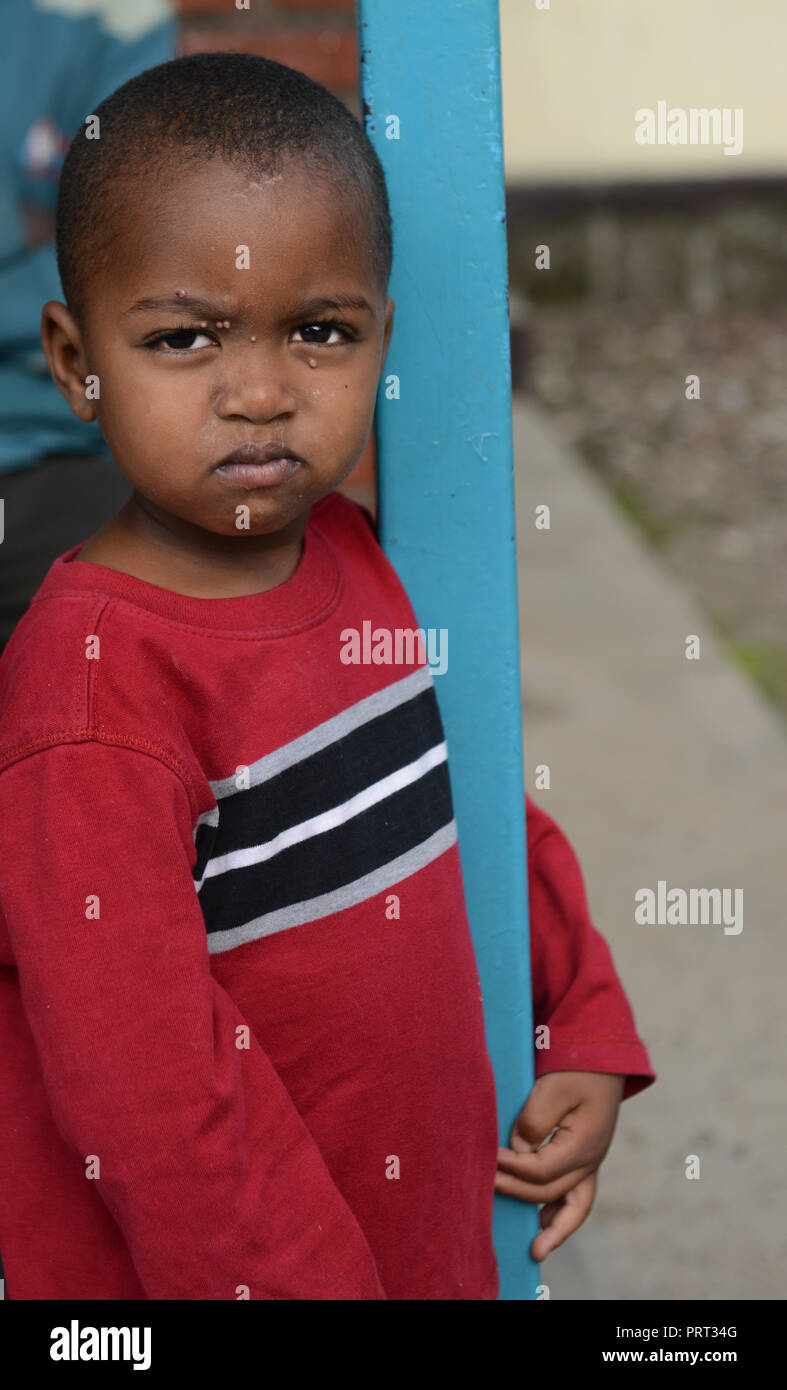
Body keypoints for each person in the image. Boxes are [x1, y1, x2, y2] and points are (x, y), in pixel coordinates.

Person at [0, 52, 655, 1301]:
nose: (259, 393)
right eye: (184, 337)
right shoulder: (89, 702)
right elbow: (153, 1106)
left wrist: (574, 1015)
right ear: (78, 362)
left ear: (382, 338)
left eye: (319, 331)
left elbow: (458, 808)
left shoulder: (352, 558)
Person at [0, 0, 176, 653]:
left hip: (50, 449)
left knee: (130, 620)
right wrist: (25, 230)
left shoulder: (114, 14)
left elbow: (122, 256)